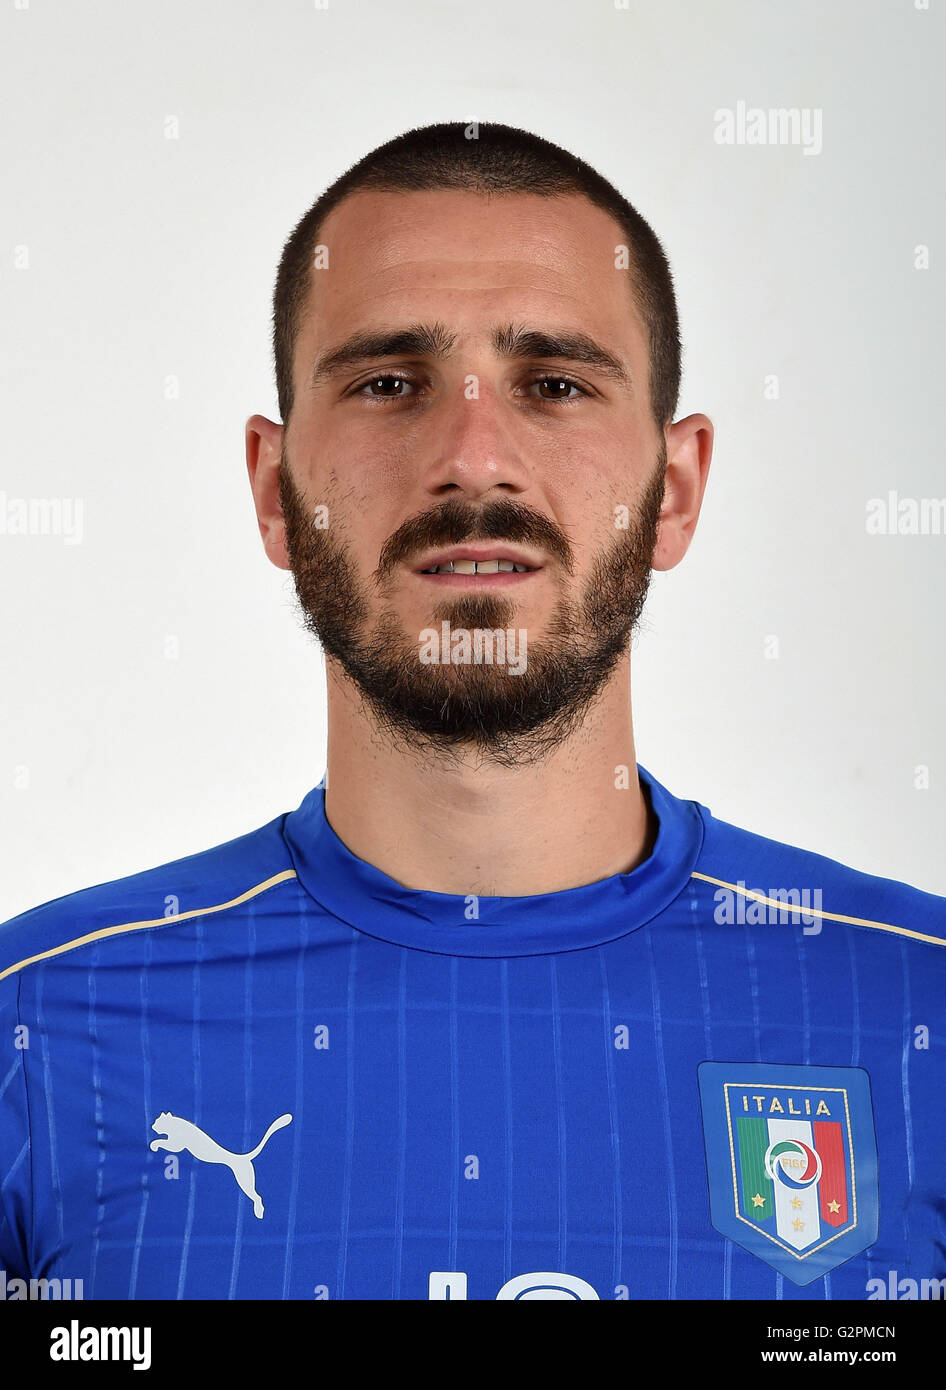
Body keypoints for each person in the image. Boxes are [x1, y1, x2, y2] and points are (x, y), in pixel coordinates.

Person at [1, 122, 942, 1302]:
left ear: (675, 491)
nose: (473, 459)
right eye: (389, 383)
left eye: (554, 384)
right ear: (275, 492)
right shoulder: (37, 1029)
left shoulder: (921, 1015)